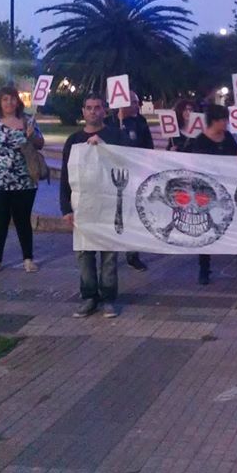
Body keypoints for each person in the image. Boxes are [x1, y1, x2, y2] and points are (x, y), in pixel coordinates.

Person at [61, 93, 126, 318]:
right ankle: (89, 296)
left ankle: (108, 298)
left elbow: (125, 164)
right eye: (89, 107)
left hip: (108, 204)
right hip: (82, 206)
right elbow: (65, 176)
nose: (93, 111)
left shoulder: (116, 135)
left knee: (109, 254)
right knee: (84, 253)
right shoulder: (73, 140)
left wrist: (105, 147)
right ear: (83, 111)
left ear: (104, 111)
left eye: (97, 107)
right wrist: (66, 209)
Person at [188, 104, 237, 285]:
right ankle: (204, 269)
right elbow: (198, 168)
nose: (227, 123)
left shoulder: (227, 137)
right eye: (223, 120)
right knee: (206, 229)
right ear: (215, 121)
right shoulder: (200, 141)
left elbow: (235, 157)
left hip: (229, 189)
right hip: (208, 193)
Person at [0, 85, 44, 275]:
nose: (9, 103)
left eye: (13, 99)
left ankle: (28, 258)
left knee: (23, 220)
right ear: (0, 102)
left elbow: (40, 144)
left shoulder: (28, 121)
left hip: (24, 181)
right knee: (0, 221)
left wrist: (33, 136)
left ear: (18, 101)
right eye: (5, 99)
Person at [105, 91, 150, 271]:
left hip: (135, 176)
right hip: (113, 177)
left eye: (138, 102)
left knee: (133, 216)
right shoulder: (109, 123)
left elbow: (148, 146)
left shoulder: (140, 122)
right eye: (134, 102)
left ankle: (133, 255)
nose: (137, 105)